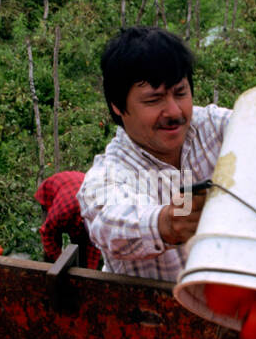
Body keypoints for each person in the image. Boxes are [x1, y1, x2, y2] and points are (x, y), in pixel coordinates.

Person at [78, 27, 232, 280]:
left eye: (180, 93)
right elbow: (107, 221)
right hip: (155, 314)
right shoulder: (109, 176)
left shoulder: (213, 127)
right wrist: (167, 223)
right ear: (118, 107)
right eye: (153, 100)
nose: (174, 111)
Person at [35, 171, 102, 269]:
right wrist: (60, 264)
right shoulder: (63, 212)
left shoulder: (101, 219)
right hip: (56, 188)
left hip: (79, 186)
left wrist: (89, 273)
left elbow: (93, 251)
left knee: (82, 244)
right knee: (53, 245)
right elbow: (48, 234)